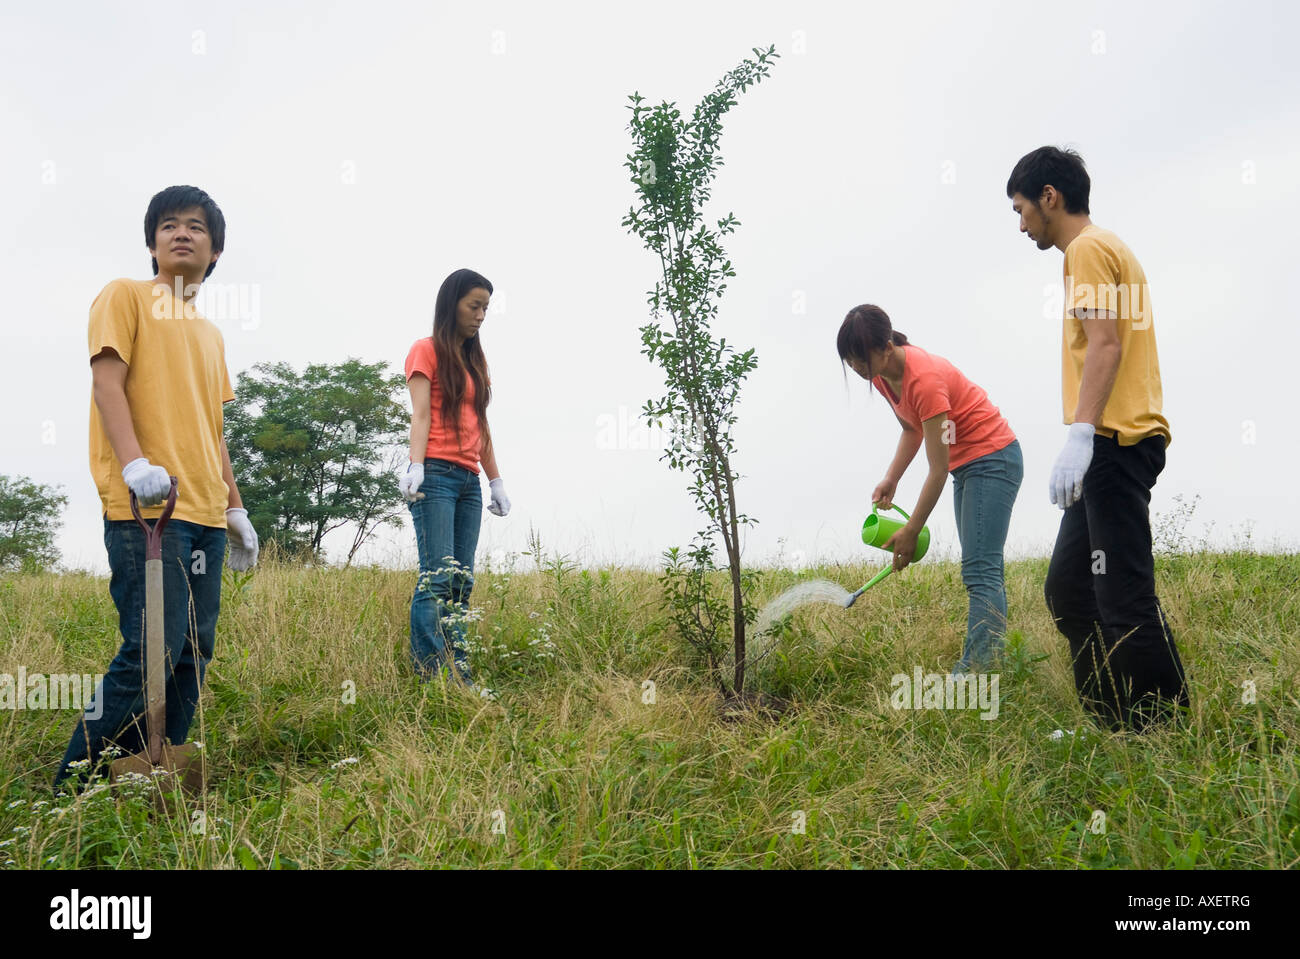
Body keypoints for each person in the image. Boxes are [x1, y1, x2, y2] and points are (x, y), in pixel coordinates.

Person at [54, 185, 258, 790]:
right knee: (150, 650)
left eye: (197, 227)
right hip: (147, 510)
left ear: (215, 251)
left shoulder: (211, 335)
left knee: (193, 653)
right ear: (151, 243)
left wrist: (236, 508)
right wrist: (134, 463)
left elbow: (213, 431)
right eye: (168, 225)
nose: (182, 233)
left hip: (204, 513)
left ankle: (150, 778)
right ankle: (70, 788)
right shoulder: (125, 297)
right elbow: (106, 384)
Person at [1007, 145, 1188, 731]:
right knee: (1069, 592)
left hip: (1115, 441)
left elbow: (1105, 342)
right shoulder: (1110, 247)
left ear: (1049, 198)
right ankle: (1109, 719)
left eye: (1021, 209)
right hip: (1113, 445)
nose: (1021, 224)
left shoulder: (1086, 250)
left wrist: (1082, 434)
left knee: (1122, 597)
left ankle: (1161, 731)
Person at [838, 305, 1022, 673]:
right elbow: (912, 429)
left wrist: (912, 529)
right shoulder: (882, 377)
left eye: (861, 358)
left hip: (992, 458)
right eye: (850, 360)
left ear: (886, 347)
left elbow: (936, 470)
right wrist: (892, 477)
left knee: (979, 568)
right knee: (982, 566)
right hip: (966, 465)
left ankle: (977, 670)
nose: (857, 368)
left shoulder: (925, 381)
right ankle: (994, 660)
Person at [398, 269, 510, 691]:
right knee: (437, 577)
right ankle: (431, 678)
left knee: (462, 581)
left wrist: (495, 480)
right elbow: (421, 413)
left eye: (486, 308)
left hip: (468, 480)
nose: (481, 315)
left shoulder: (476, 361)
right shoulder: (424, 350)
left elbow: (481, 423)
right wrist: (416, 464)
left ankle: (458, 676)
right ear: (452, 304)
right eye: (474, 305)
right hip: (437, 476)